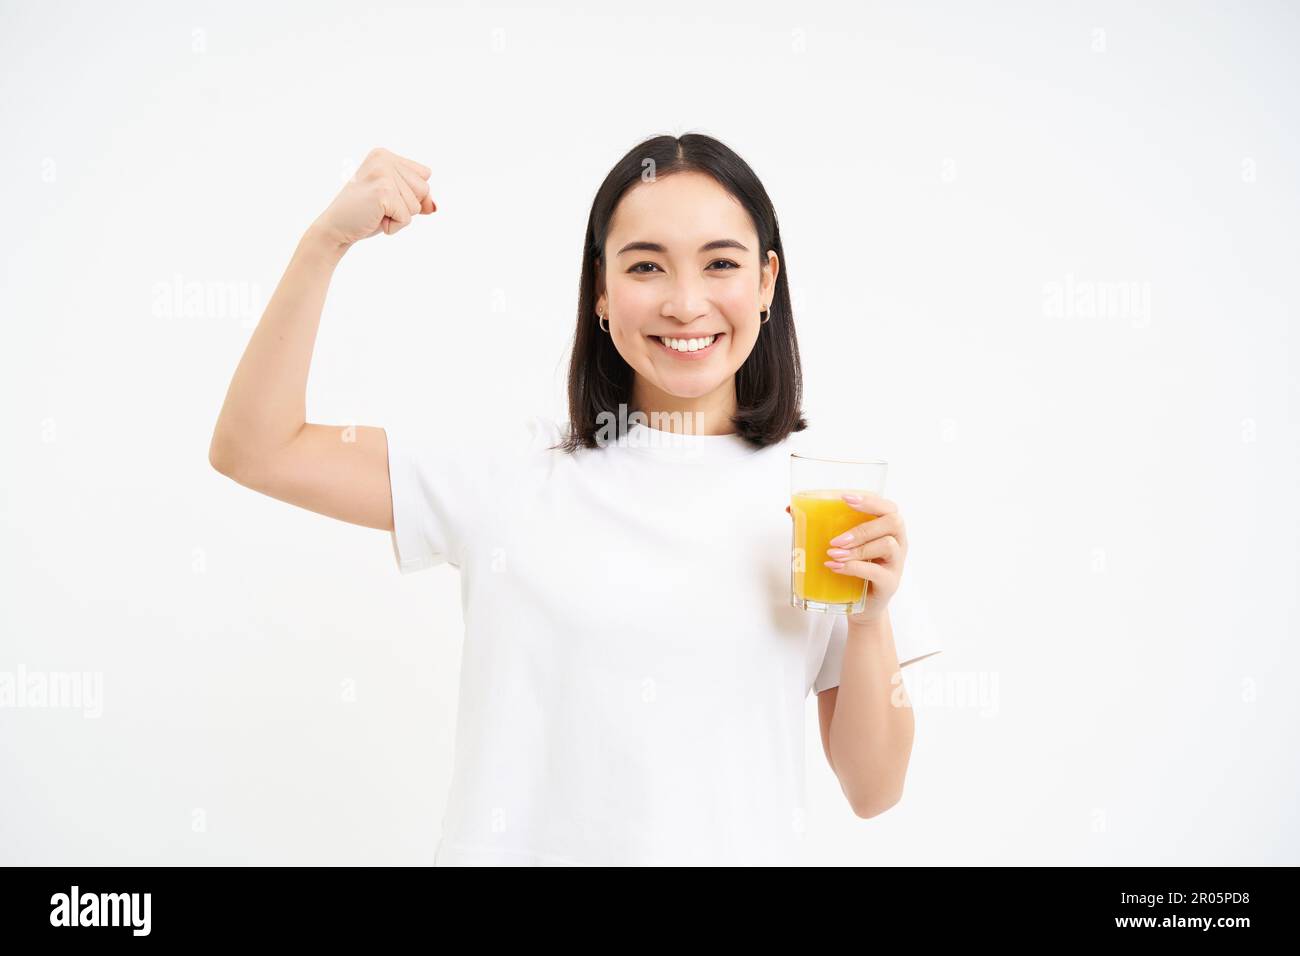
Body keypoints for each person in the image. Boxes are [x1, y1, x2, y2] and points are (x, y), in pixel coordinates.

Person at [209, 134, 942, 866]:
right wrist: (325, 242)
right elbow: (258, 449)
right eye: (646, 266)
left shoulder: (826, 502)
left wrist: (871, 621)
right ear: (599, 287)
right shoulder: (515, 473)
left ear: (765, 281)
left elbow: (874, 791)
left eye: (720, 263)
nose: (686, 304)